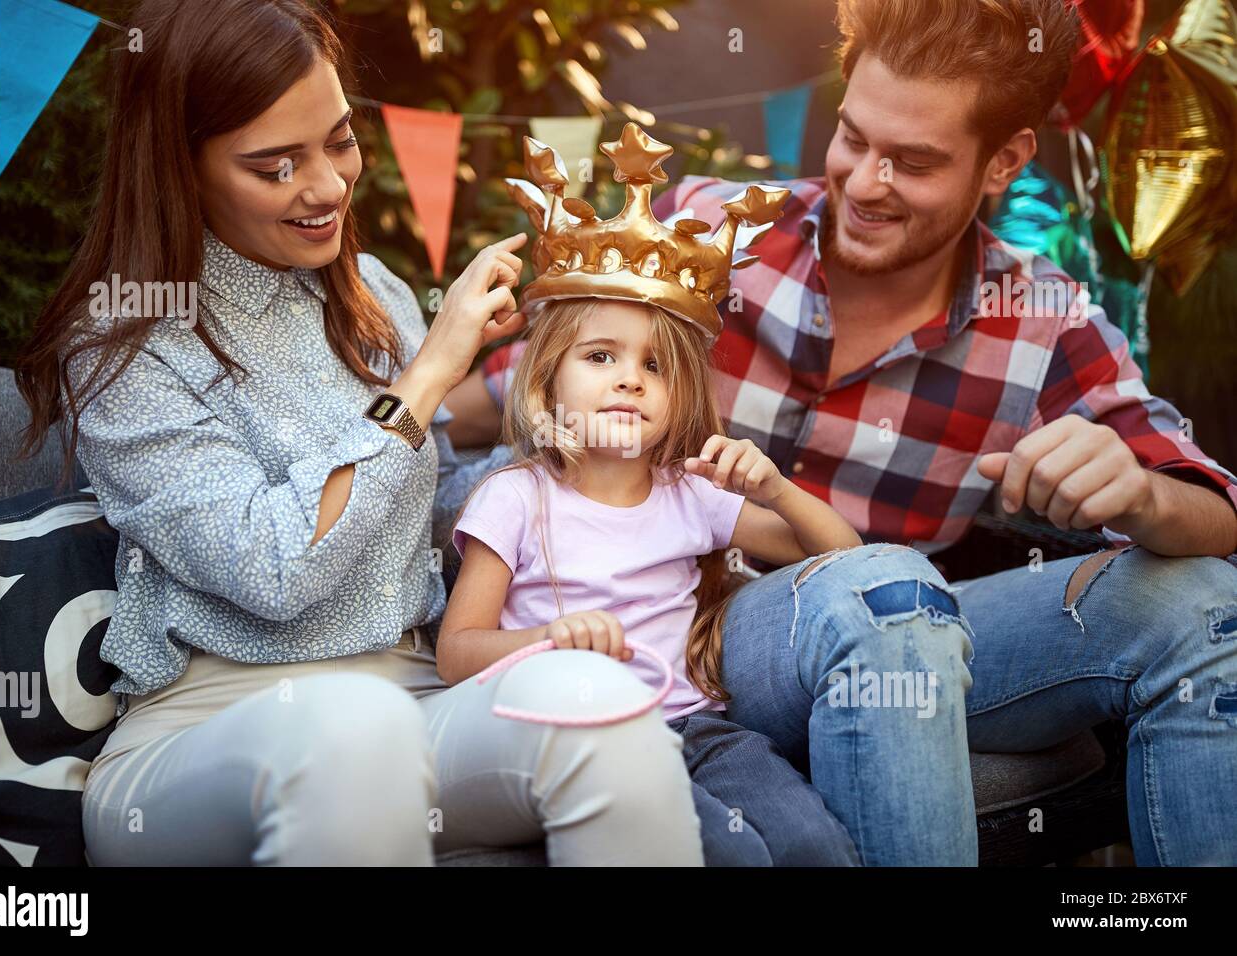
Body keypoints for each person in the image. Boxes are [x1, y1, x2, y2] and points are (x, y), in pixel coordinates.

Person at [451, 0, 1237, 866]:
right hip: (706, 627)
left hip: (917, 640)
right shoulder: (710, 234)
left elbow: (1212, 510)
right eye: (853, 137)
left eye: (913, 162)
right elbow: (515, 391)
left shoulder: (1042, 318)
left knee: (1204, 608)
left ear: (1004, 161)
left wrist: (1141, 490)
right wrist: (403, 401)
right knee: (883, 590)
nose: (865, 181)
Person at [15, 0, 702, 866]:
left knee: (597, 702)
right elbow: (272, 569)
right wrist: (422, 380)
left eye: (339, 140)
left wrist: (605, 468)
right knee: (352, 728)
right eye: (276, 166)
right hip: (206, 730)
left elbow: (441, 506)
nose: (331, 185)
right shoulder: (123, 340)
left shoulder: (366, 289)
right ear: (180, 168)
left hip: (418, 695)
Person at [439, 293, 862, 866]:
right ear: (547, 381)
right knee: (729, 852)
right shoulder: (514, 496)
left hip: (703, 731)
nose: (631, 380)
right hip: (599, 741)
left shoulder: (692, 494)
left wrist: (778, 492)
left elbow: (847, 556)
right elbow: (456, 653)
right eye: (600, 357)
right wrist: (546, 641)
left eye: (655, 366)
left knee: (814, 846)